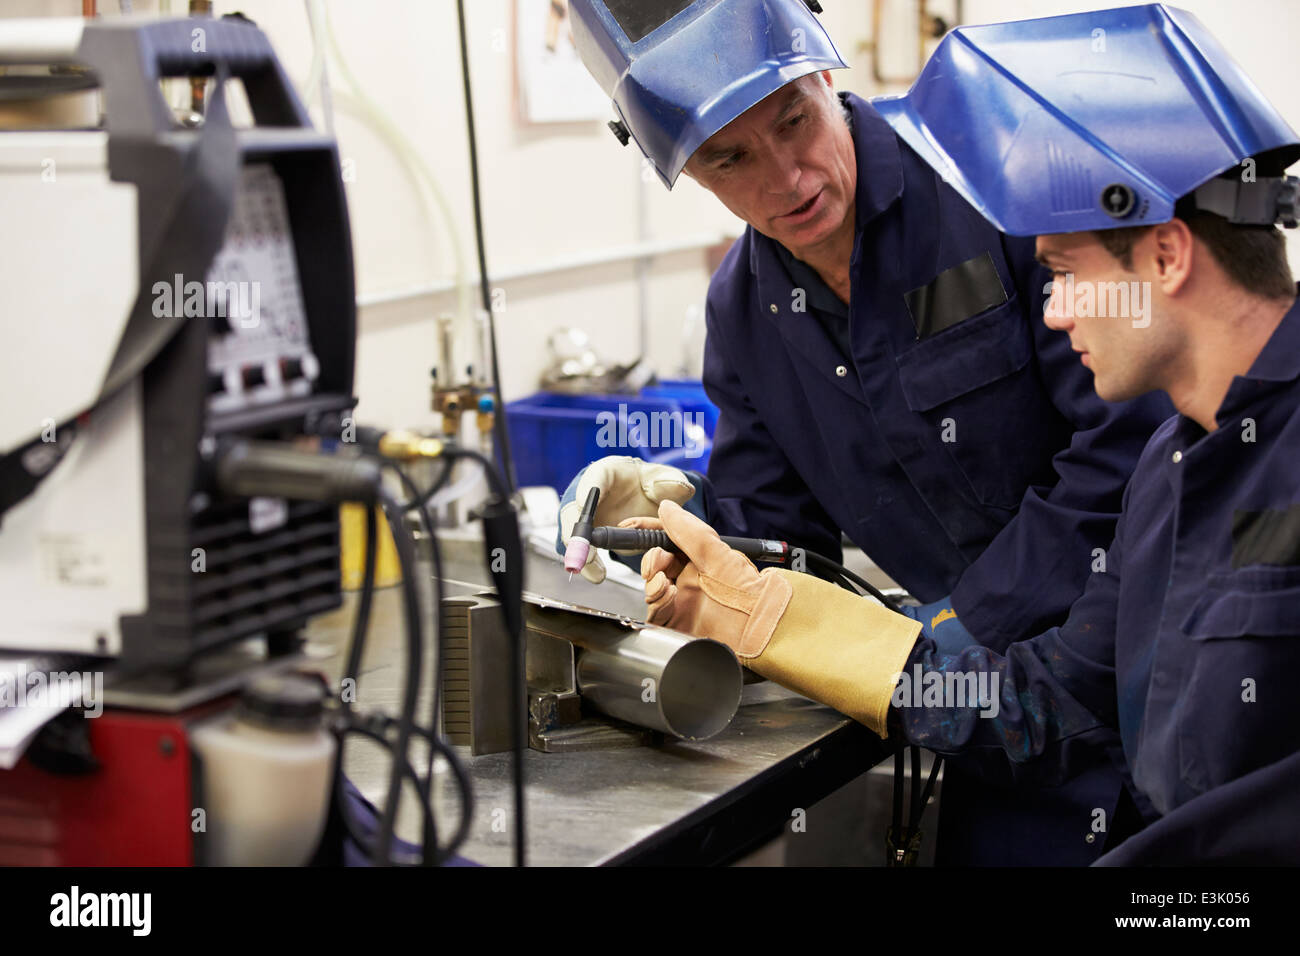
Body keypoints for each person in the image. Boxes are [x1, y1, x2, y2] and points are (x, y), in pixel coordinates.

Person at [638, 3, 1300, 864]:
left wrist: (945, 624)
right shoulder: (1172, 479)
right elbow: (1047, 704)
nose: (1054, 311)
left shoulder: (983, 195)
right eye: (729, 159)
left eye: (1062, 272)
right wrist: (737, 580)